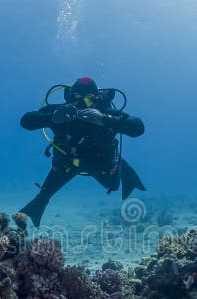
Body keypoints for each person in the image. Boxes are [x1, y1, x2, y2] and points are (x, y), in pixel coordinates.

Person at [19, 77, 146, 227]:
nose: (81, 103)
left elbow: (138, 127)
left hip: (100, 164)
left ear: (96, 99)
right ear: (69, 97)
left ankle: (121, 165)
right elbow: (26, 121)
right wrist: (51, 118)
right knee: (42, 198)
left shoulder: (105, 112)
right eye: (76, 97)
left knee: (114, 186)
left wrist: (105, 119)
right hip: (67, 163)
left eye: (88, 99)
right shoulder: (60, 111)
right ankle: (34, 211)